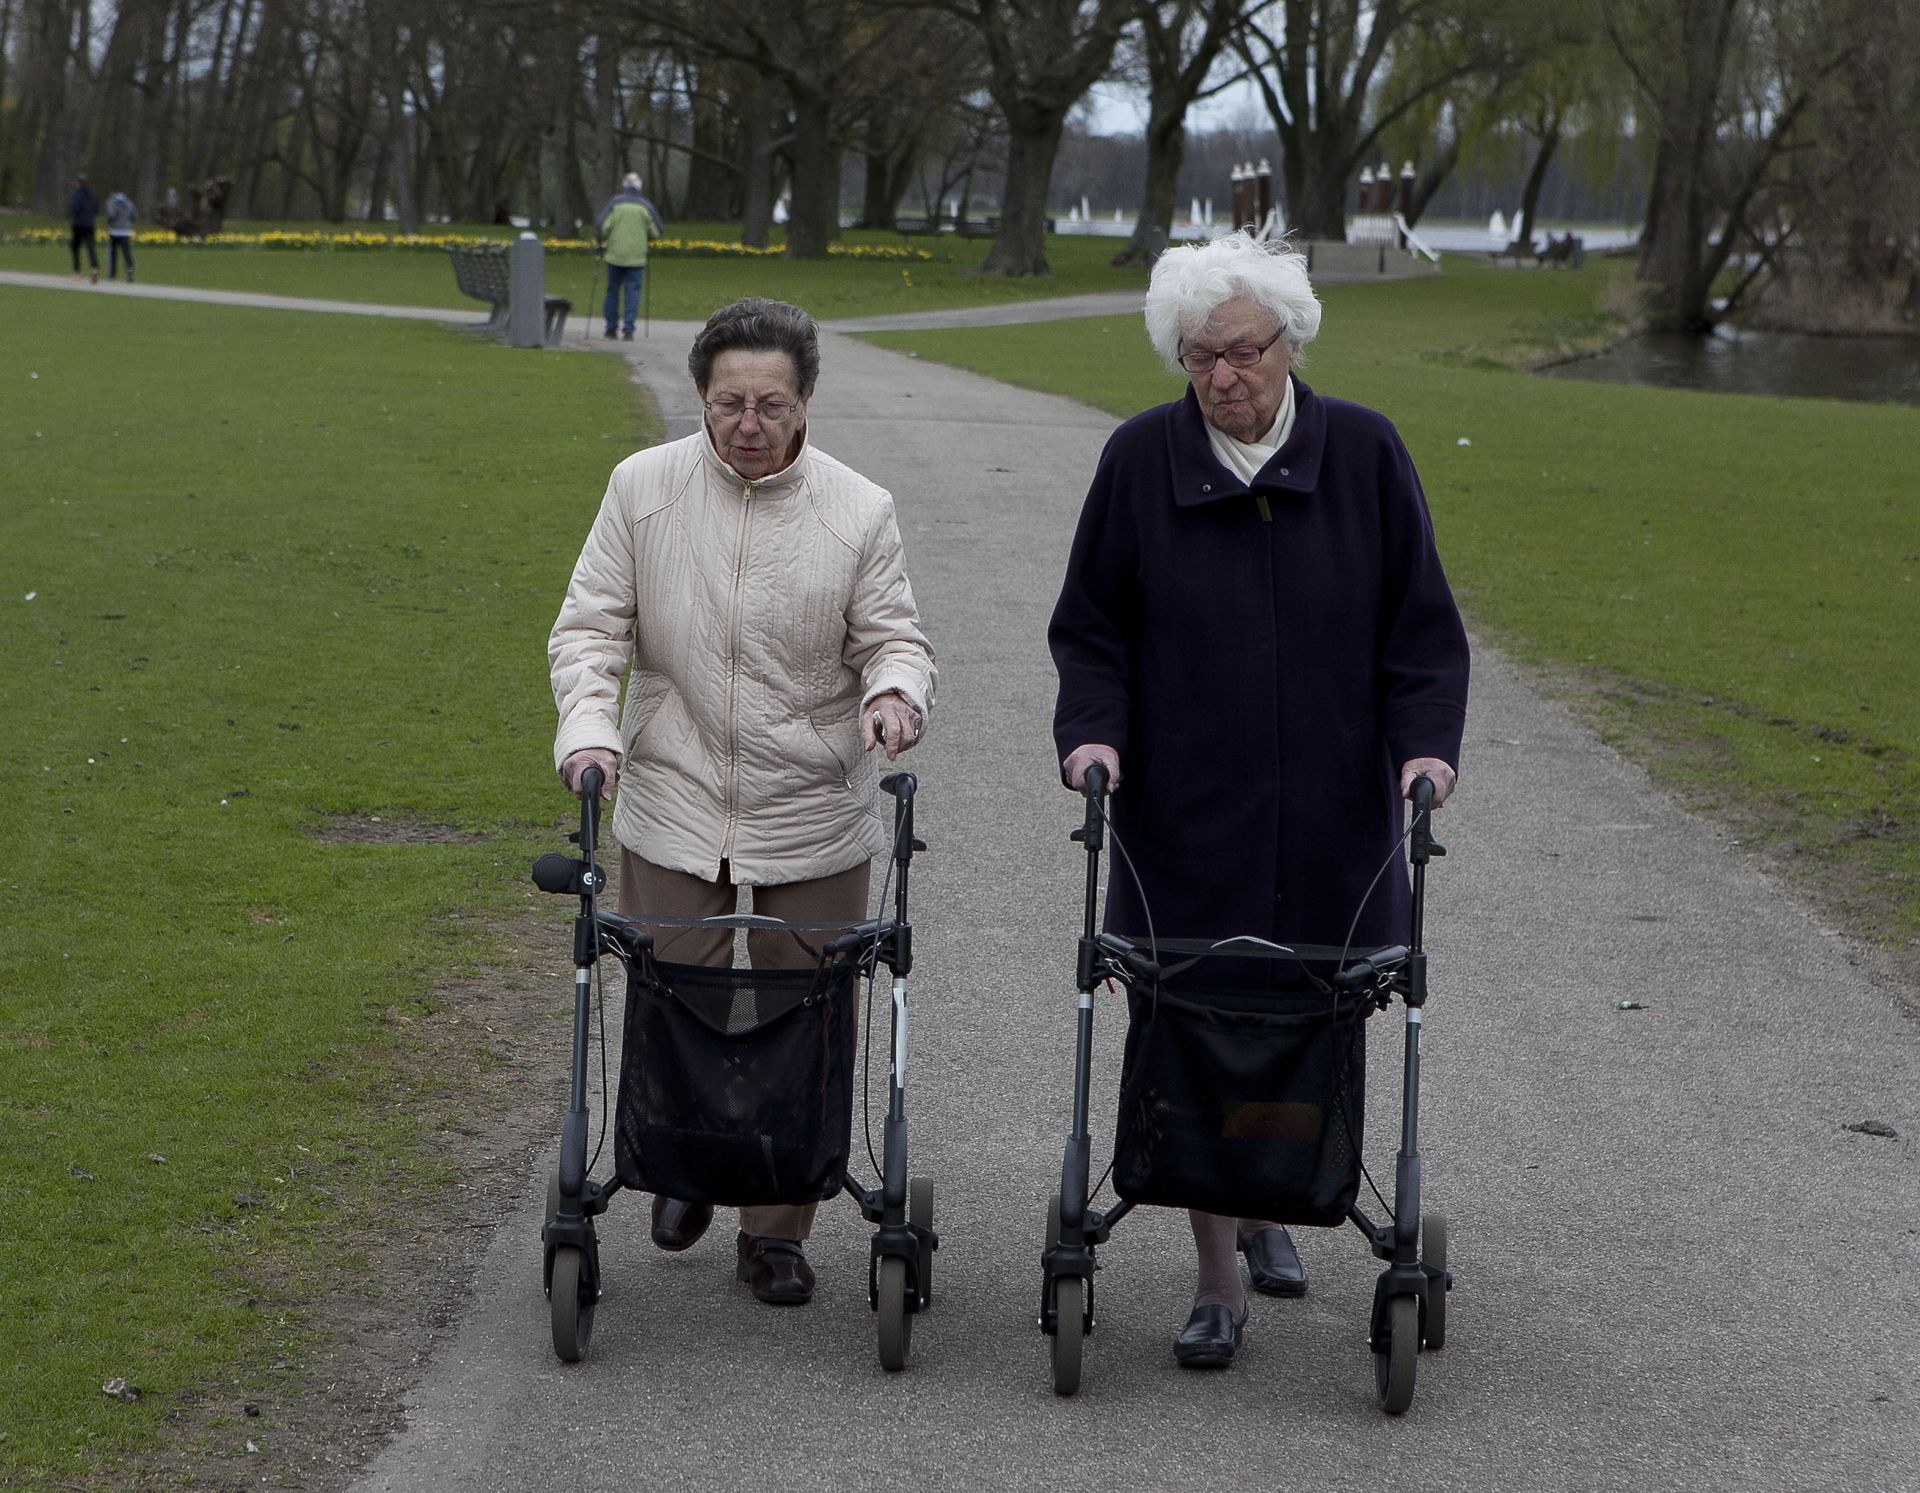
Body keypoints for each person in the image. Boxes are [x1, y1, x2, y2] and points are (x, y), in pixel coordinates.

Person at [1048, 232, 1470, 1370]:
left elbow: (1423, 634)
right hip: (1187, 812)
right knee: (1198, 1018)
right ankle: (1216, 1271)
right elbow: (1091, 630)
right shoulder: (1140, 459)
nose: (1223, 376)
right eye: (1200, 356)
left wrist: (1427, 752)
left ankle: (1275, 1195)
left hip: (1334, 812)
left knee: (1310, 1011)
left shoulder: (1366, 454)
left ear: (1292, 342)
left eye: (1243, 350)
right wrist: (1091, 734)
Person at [549, 296, 936, 1306]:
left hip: (810, 801)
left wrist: (895, 692)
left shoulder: (858, 509)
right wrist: (588, 728)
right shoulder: (643, 488)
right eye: (730, 404)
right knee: (673, 993)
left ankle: (775, 1225)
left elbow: (893, 638)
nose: (750, 424)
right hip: (676, 790)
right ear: (701, 398)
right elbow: (590, 626)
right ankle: (684, 1164)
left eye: (771, 404)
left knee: (805, 1014)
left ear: (805, 402)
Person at [594, 171, 663, 341]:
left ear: (624, 185)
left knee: (612, 292)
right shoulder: (645, 206)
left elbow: (604, 228)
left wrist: (600, 240)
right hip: (636, 258)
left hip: (615, 256)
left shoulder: (615, 203)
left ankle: (611, 328)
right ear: (639, 187)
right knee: (632, 293)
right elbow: (655, 231)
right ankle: (628, 329)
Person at [68, 175, 100, 283]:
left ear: (78, 183)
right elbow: (96, 209)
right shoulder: (92, 194)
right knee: (90, 247)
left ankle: (77, 272)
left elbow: (75, 208)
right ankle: (94, 268)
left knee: (75, 248)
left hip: (78, 224)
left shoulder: (76, 194)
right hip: (90, 224)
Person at [104, 188, 137, 282]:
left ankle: (112, 274)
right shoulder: (129, 203)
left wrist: (109, 222)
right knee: (127, 253)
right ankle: (129, 271)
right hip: (125, 232)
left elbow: (111, 215)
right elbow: (134, 217)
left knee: (113, 254)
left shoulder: (112, 202)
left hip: (113, 232)